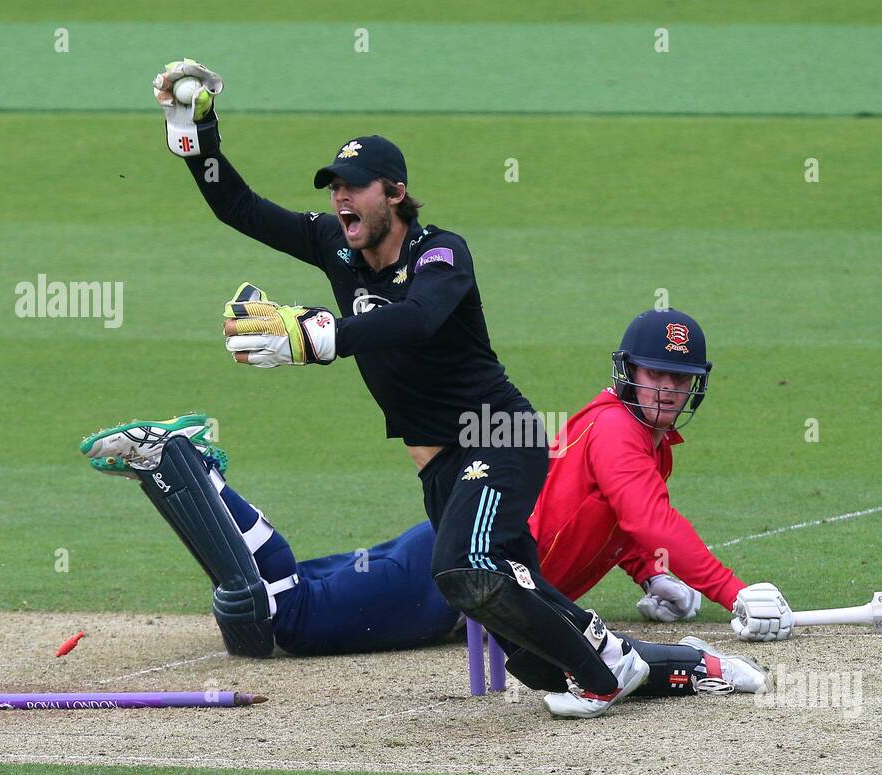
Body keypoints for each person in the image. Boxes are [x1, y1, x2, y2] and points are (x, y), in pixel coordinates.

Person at [149, 58, 650, 717]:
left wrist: (322, 336)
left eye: (355, 188)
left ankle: (600, 677)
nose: (340, 200)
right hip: (440, 464)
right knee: (511, 605)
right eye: (334, 188)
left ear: (394, 193)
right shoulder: (335, 246)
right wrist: (195, 134)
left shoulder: (441, 253)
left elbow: (417, 320)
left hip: (498, 435)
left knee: (462, 567)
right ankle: (618, 657)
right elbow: (237, 207)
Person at [79, 308, 789, 701]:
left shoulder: (633, 439)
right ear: (627, 374)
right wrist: (730, 591)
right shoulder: (615, 429)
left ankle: (189, 467)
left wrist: (649, 575)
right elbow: (643, 515)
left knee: (276, 596)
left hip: (455, 569)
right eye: (654, 374)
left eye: (679, 379)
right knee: (277, 622)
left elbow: (618, 523)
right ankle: (187, 468)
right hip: (451, 586)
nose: (665, 389)